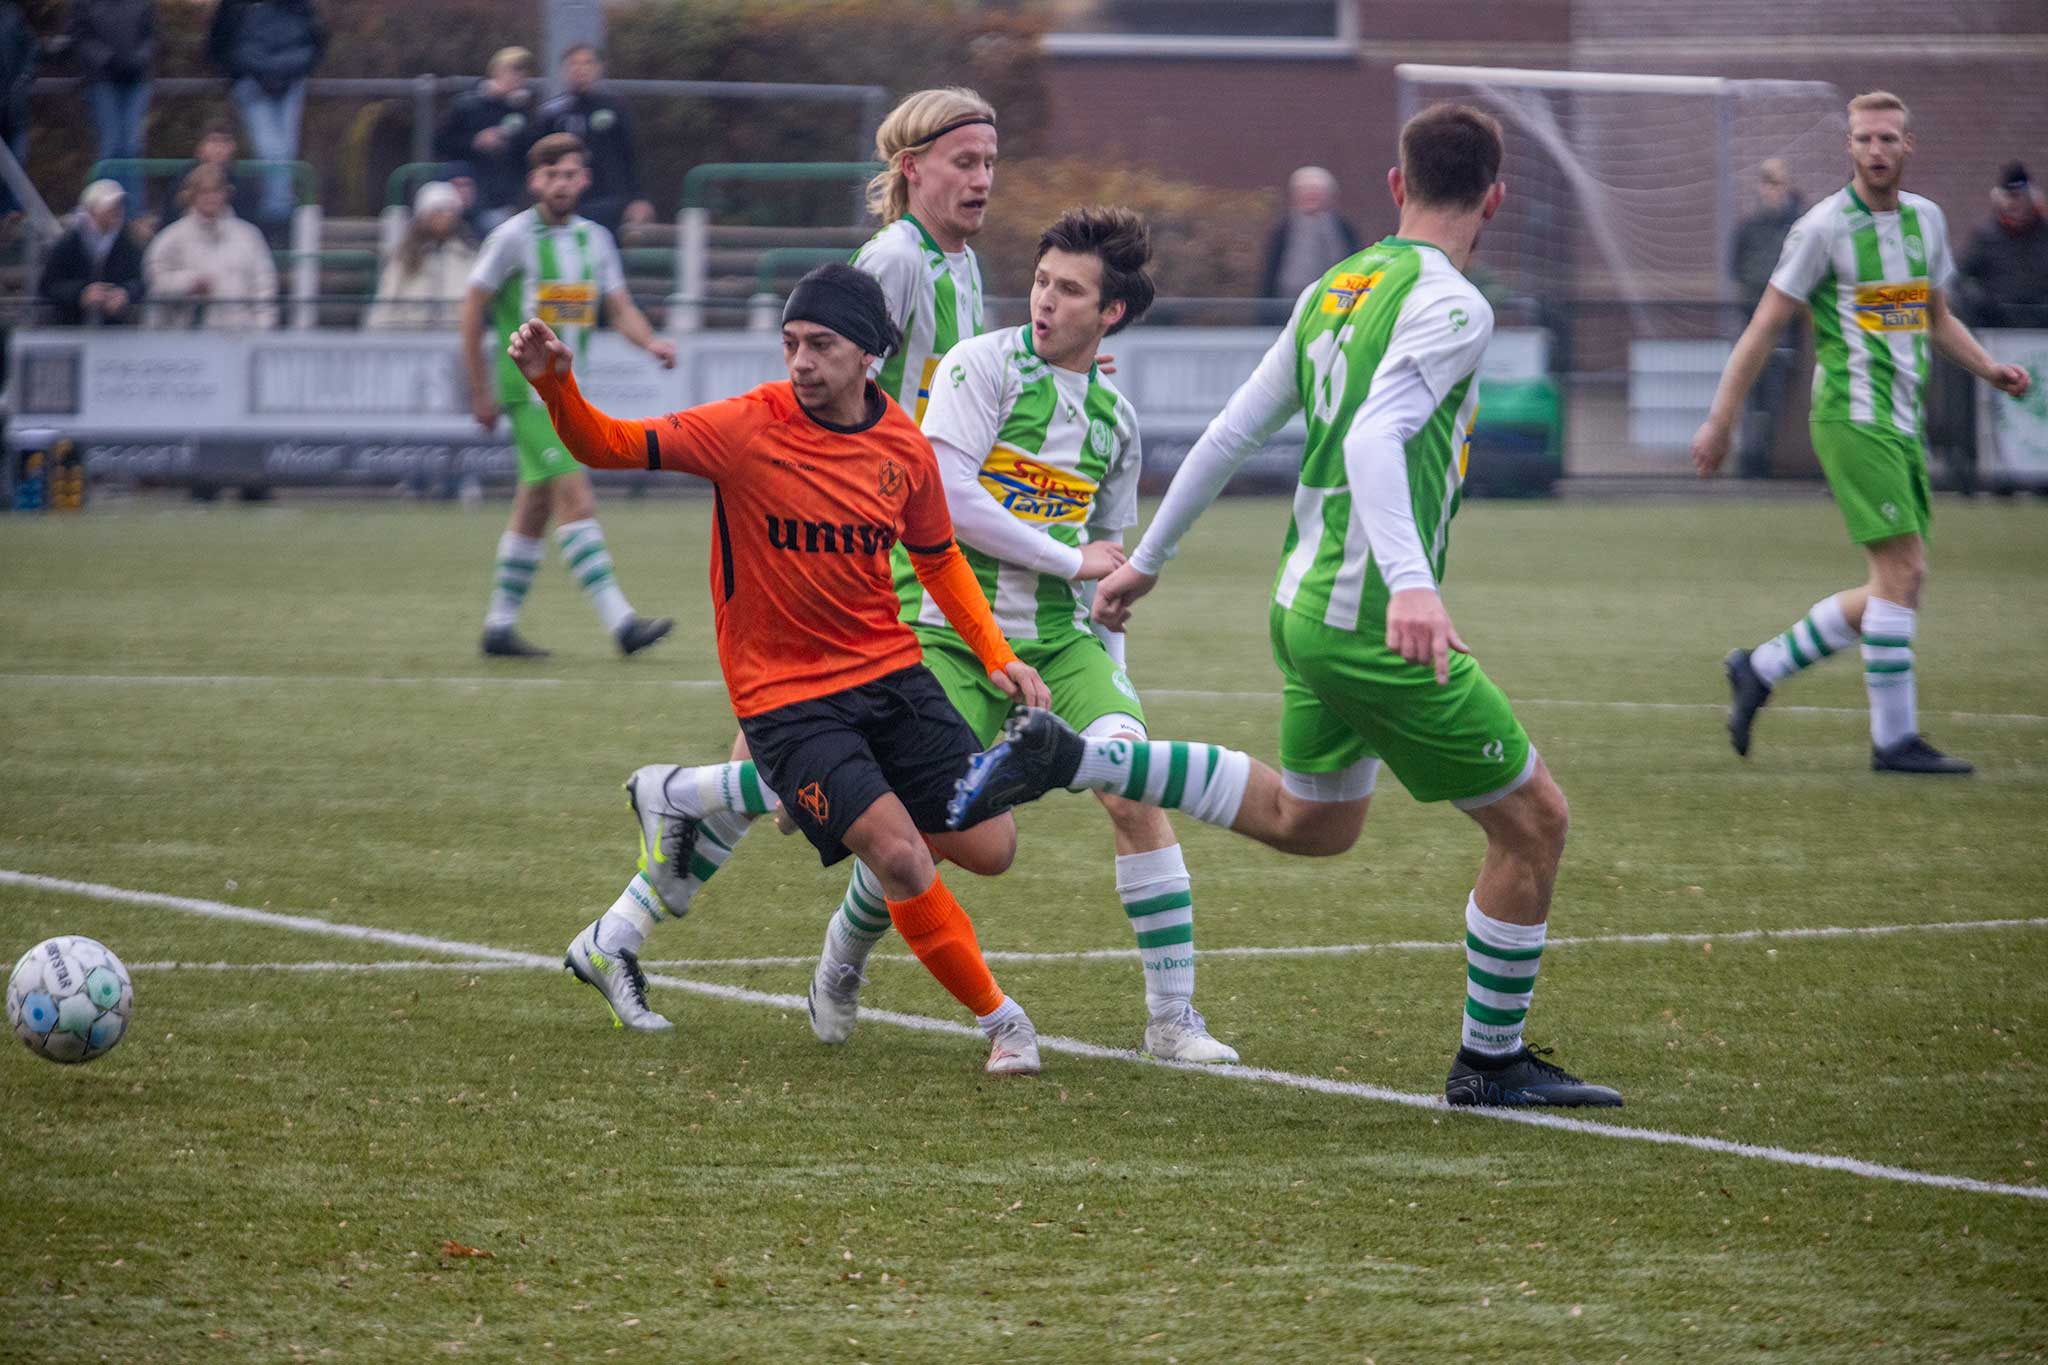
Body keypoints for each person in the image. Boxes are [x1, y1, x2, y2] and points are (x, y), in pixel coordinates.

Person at [949, 104, 1625, 1110]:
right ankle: (1490, 1062)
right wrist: (1413, 586)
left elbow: (1227, 430)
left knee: (1312, 825)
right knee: (1533, 821)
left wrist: (1146, 561)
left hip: (1301, 603)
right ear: (1492, 198)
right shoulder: (1453, 304)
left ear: (1394, 189)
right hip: (1365, 617)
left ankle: (1078, 755)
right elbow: (1369, 443)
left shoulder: (1334, 287)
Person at [531, 262, 1055, 1074]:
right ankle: (1003, 1022)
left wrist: (999, 656)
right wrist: (557, 386)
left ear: (870, 353)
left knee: (993, 844)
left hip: (890, 677)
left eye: (821, 344)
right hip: (789, 701)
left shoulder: (902, 448)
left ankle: (683, 794)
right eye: (790, 343)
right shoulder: (748, 426)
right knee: (902, 855)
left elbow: (939, 557)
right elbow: (611, 443)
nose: (801, 362)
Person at [795, 206, 1238, 1063]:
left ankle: (1173, 1019)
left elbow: (1106, 571)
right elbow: (949, 499)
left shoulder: (1115, 420)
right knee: (928, 828)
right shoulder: (980, 366)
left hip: (1062, 645)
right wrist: (1072, 560)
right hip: (946, 630)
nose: (1044, 301)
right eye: (1041, 281)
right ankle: (840, 960)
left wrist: (1113, 668)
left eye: (1069, 291)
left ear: (1110, 313)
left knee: (1133, 783)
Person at [1692, 92, 2032, 775]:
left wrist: (1990, 369)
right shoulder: (1822, 228)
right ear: (1849, 147)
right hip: (1851, 417)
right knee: (1901, 572)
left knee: (1897, 582)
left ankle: (1759, 669)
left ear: (1908, 146)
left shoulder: (1926, 222)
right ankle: (1894, 740)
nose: (1876, 150)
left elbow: (1934, 316)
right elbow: (1764, 327)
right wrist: (1721, 417)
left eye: (1887, 139)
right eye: (1864, 139)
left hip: (1901, 422)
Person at [463, 132, 674, 659]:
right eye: (552, 175)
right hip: (526, 391)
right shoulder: (512, 237)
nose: (562, 183)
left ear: (584, 179)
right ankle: (622, 623)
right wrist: (481, 389)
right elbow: (472, 308)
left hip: (565, 393)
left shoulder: (595, 239)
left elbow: (618, 307)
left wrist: (651, 343)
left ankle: (498, 627)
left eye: (571, 174)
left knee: (535, 504)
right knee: (575, 494)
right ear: (535, 180)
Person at [851, 86, 995, 422]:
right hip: (886, 473)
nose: (983, 180)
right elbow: (844, 394)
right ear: (911, 167)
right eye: (965, 163)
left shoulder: (968, 263)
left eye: (989, 164)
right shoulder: (895, 258)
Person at [205, 0, 325, 236]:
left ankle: (278, 215)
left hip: (290, 79)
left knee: (285, 150)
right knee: (272, 150)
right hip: (251, 80)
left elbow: (315, 37)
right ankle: (278, 216)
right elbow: (221, 38)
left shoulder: (296, 7)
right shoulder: (237, 7)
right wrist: (235, 71)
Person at [1728, 159, 1804, 478]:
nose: (1771, 190)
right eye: (1766, 183)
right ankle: (1752, 460)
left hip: (1789, 325)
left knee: (1781, 391)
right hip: (1753, 318)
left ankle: (1779, 458)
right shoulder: (1748, 228)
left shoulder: (1800, 227)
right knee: (1753, 390)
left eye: (1777, 183)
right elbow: (1735, 267)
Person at [532, 44, 650, 238]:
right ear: (565, 71)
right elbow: (538, 160)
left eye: (587, 63)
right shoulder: (551, 114)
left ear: (598, 68)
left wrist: (638, 198)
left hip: (609, 199)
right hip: (564, 199)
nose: (581, 69)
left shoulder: (616, 108)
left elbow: (632, 155)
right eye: (574, 64)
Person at [142, 162, 276, 328]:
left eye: (216, 191)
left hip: (241, 338)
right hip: (188, 340)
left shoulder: (249, 235)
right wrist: (188, 283)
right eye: (204, 192)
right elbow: (154, 281)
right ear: (191, 195)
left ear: (225, 194)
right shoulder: (170, 238)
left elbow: (265, 285)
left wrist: (262, 329)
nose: (211, 198)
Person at [432, 46, 538, 236]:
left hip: (506, 195)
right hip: (470, 191)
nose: (518, 78)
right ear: (496, 70)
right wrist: (475, 142)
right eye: (513, 70)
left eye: (523, 73)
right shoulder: (467, 105)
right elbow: (441, 143)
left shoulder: (522, 112)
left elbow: (527, 153)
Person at [67, 0, 156, 203]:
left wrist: (139, 58)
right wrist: (107, 59)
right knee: (111, 146)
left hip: (136, 78)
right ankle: (103, 207)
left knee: (132, 146)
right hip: (102, 79)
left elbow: (151, 35)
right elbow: (79, 36)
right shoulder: (84, 4)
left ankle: (133, 211)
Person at [363, 180, 475, 330]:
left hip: (455, 334)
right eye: (439, 210)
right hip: (410, 336)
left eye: (450, 210)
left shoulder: (468, 255)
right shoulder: (404, 257)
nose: (445, 216)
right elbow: (386, 302)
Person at [39, 178, 145, 325]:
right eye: (110, 205)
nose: (117, 210)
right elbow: (49, 285)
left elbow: (141, 280)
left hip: (115, 331)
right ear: (91, 210)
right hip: (69, 328)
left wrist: (125, 293)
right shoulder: (69, 242)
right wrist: (81, 294)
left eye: (119, 204)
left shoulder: (127, 241)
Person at [1957, 161, 2048, 330]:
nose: (2016, 204)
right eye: (2010, 197)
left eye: (2021, 197)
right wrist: (1983, 302)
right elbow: (1961, 277)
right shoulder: (1984, 237)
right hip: (1996, 328)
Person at [1259, 166, 1362, 313]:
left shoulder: (1344, 229)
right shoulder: (1282, 230)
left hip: (1333, 301)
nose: (1310, 196)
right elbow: (1270, 270)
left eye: (1316, 191)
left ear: (1328, 195)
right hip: (1288, 303)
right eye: (1305, 191)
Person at [151, 118, 262, 231]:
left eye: (224, 142)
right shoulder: (181, 182)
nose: (218, 149)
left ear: (233, 147)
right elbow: (168, 224)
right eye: (213, 141)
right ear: (200, 147)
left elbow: (247, 229)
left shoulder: (244, 187)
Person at [0, 0, 36, 218]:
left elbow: (31, 48)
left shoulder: (11, 14)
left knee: (17, 164)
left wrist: (23, 79)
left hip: (13, 108)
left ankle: (11, 216)